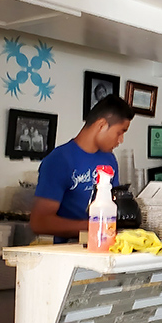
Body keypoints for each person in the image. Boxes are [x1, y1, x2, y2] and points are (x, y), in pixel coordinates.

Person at [30, 95, 134, 242]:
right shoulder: (59, 160)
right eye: (120, 132)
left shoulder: (109, 160)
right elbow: (39, 222)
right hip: (67, 252)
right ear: (102, 125)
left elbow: (113, 207)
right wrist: (94, 226)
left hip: (104, 246)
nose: (121, 140)